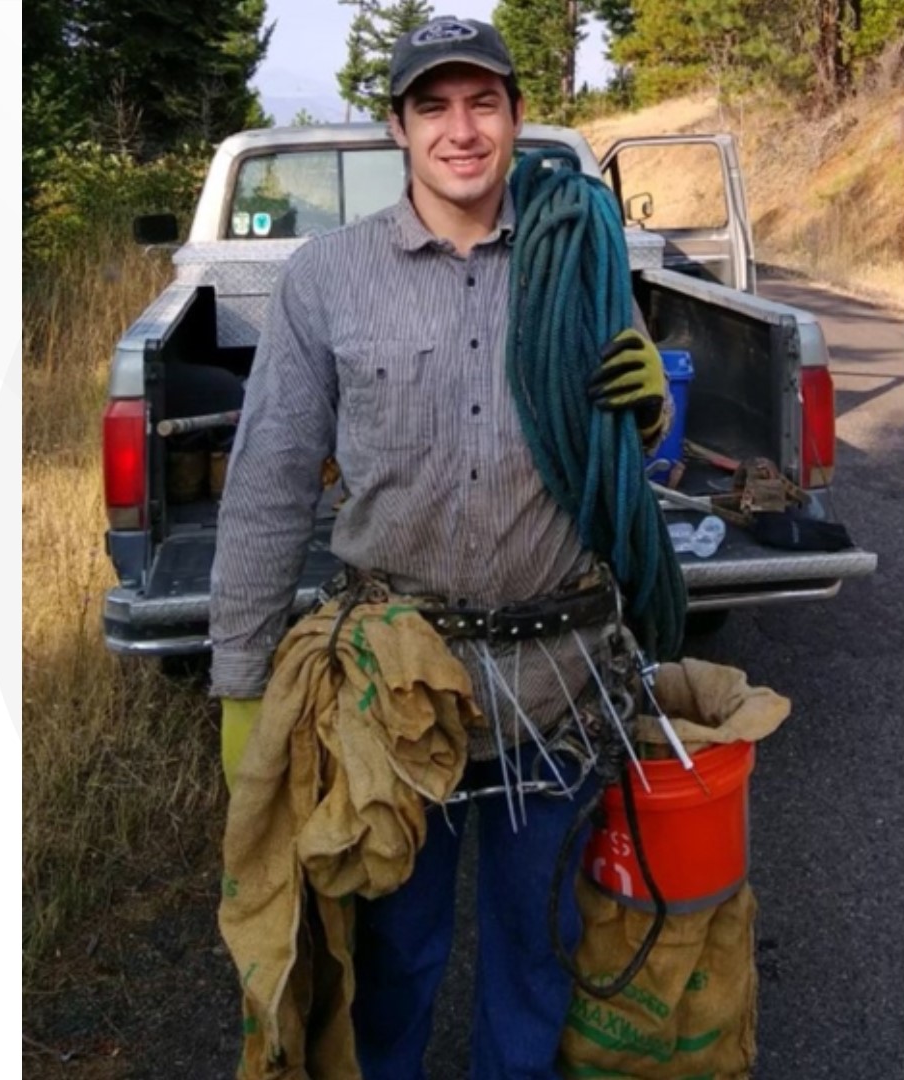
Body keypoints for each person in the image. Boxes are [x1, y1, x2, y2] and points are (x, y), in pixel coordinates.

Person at [209, 15, 670, 1078]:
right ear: (399, 128)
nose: (462, 130)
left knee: (538, 945)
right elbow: (272, 484)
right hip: (392, 692)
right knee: (395, 955)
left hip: (558, 680)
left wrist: (648, 419)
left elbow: (625, 449)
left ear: (512, 117)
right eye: (435, 107)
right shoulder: (325, 280)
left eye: (484, 103)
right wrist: (241, 683)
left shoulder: (581, 264)